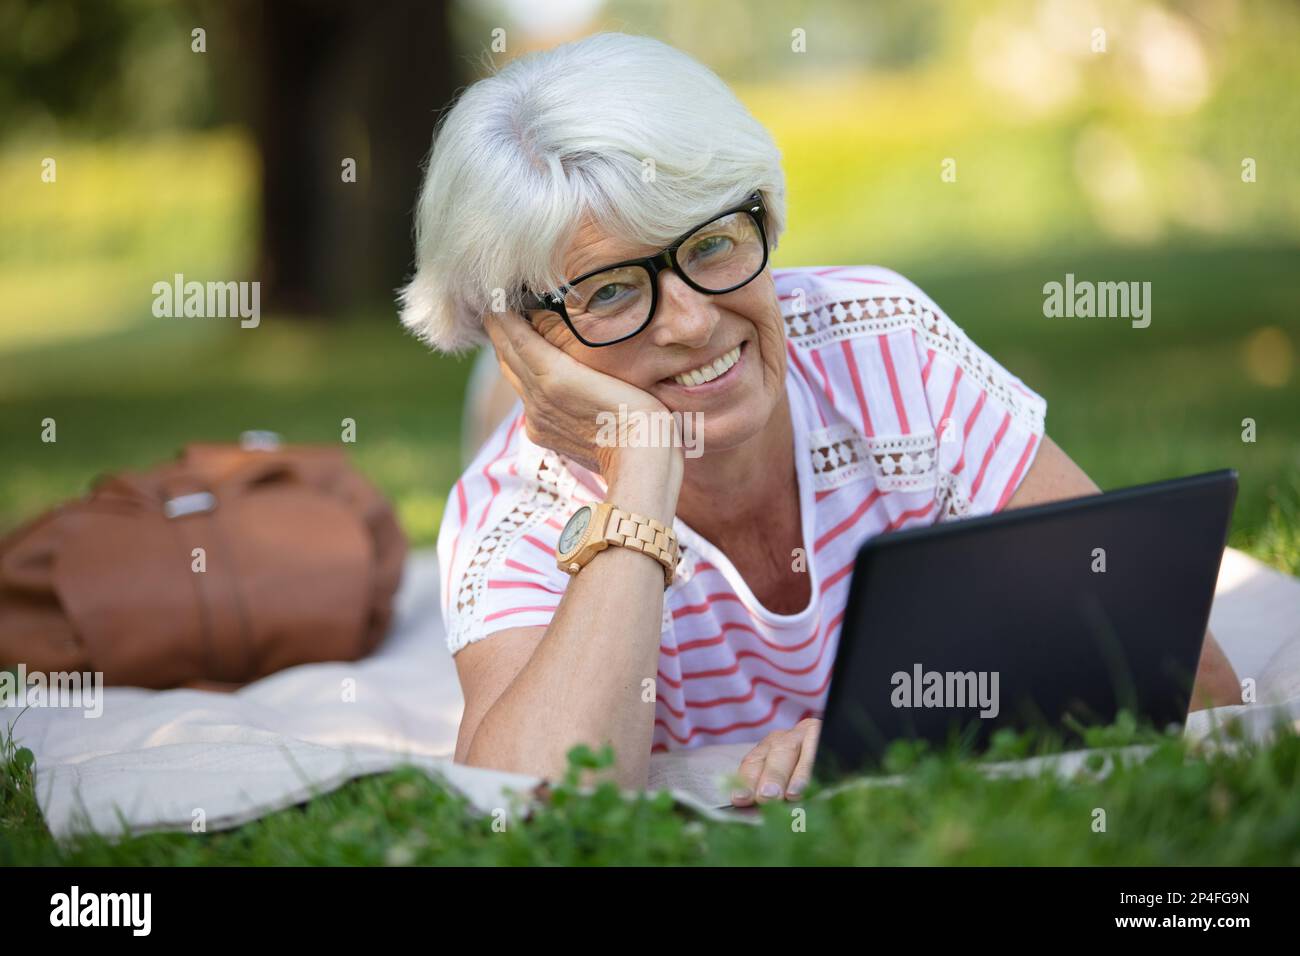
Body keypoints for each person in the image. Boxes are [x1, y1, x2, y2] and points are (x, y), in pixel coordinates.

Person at [398, 32, 1240, 805]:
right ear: (517, 342)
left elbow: (1189, 679)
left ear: (763, 214)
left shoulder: (884, 348)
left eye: (712, 243)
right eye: (611, 291)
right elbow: (528, 813)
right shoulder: (512, 511)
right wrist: (642, 469)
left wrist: (891, 735)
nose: (692, 320)